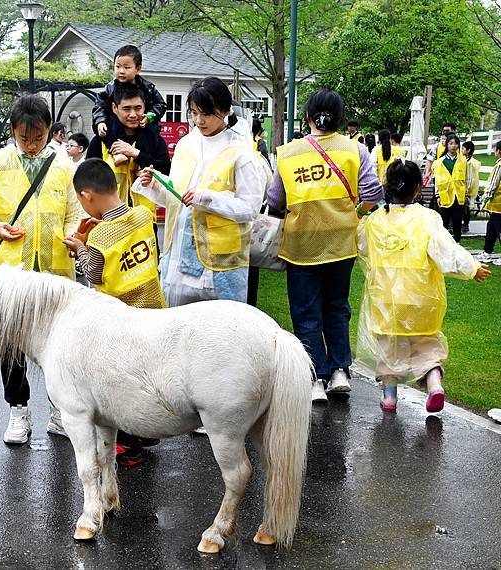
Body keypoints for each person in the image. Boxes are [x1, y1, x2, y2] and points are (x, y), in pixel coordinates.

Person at [0, 94, 82, 445]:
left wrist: (73, 236)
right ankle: (18, 410)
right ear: (12, 131)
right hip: (9, 273)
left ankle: (59, 410)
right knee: (12, 345)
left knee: (57, 346)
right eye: (24, 138)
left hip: (54, 272)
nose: (31, 145)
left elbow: (74, 211)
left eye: (39, 137)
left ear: (49, 130)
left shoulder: (63, 167)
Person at [268, 88, 384, 403]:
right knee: (336, 307)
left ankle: (314, 378)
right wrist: (355, 213)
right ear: (339, 118)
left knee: (306, 312)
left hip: (301, 245)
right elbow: (373, 192)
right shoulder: (355, 150)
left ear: (307, 117)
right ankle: (339, 372)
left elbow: (275, 199)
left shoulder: (287, 153)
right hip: (341, 244)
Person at [355, 159, 490, 414]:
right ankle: (434, 383)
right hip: (423, 299)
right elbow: (446, 251)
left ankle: (390, 397)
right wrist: (471, 268)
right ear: (419, 187)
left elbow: (361, 246)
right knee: (427, 346)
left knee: (389, 350)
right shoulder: (428, 218)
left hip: (386, 301)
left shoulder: (374, 222)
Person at [62, 158, 165, 465]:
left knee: (125, 381)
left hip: (122, 320)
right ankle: (150, 429)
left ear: (86, 196)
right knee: (150, 375)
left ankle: (128, 442)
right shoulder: (143, 215)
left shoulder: (100, 236)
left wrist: (80, 248)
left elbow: (92, 275)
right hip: (154, 308)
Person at [134, 76, 268, 308]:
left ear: (225, 111)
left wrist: (207, 199)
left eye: (206, 114)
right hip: (179, 258)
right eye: (194, 113)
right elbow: (178, 195)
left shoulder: (240, 152)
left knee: (223, 332)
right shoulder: (187, 144)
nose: (199, 120)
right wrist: (155, 183)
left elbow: (250, 208)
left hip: (221, 262)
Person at [86, 83, 171, 220]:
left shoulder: (154, 139)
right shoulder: (101, 140)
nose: (133, 114)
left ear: (144, 106)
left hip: (145, 224)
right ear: (114, 108)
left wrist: (136, 154)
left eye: (138, 108)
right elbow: (87, 182)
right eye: (126, 109)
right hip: (110, 223)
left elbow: (167, 171)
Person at [92, 44, 167, 160]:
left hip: (143, 122)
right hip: (117, 125)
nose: (121, 71)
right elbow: (99, 105)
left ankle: (142, 160)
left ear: (138, 69)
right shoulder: (110, 88)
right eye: (118, 67)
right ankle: (117, 153)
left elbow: (161, 104)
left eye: (126, 68)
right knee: (109, 124)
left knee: (150, 131)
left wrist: (151, 115)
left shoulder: (147, 87)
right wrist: (100, 121)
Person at [432, 133, 468, 243]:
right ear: (447, 145)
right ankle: (444, 244)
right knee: (444, 222)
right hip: (444, 195)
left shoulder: (463, 161)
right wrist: (437, 195)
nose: (453, 146)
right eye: (451, 143)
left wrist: (466, 194)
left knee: (457, 222)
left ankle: (457, 243)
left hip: (459, 196)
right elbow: (437, 181)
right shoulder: (439, 162)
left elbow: (467, 179)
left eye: (456, 144)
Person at [478, 140, 501, 264]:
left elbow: (492, 185)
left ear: (499, 151)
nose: (494, 152)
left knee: (499, 230)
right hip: (495, 207)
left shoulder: (499, 166)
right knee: (491, 229)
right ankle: (487, 253)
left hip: (498, 205)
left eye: (495, 149)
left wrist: (484, 201)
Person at [461, 141, 480, 234]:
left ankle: (466, 224)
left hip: (468, 189)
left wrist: (466, 190)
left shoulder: (470, 163)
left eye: (463, 148)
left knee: (466, 208)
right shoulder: (464, 160)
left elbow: (470, 178)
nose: (461, 150)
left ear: (468, 150)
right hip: (463, 188)